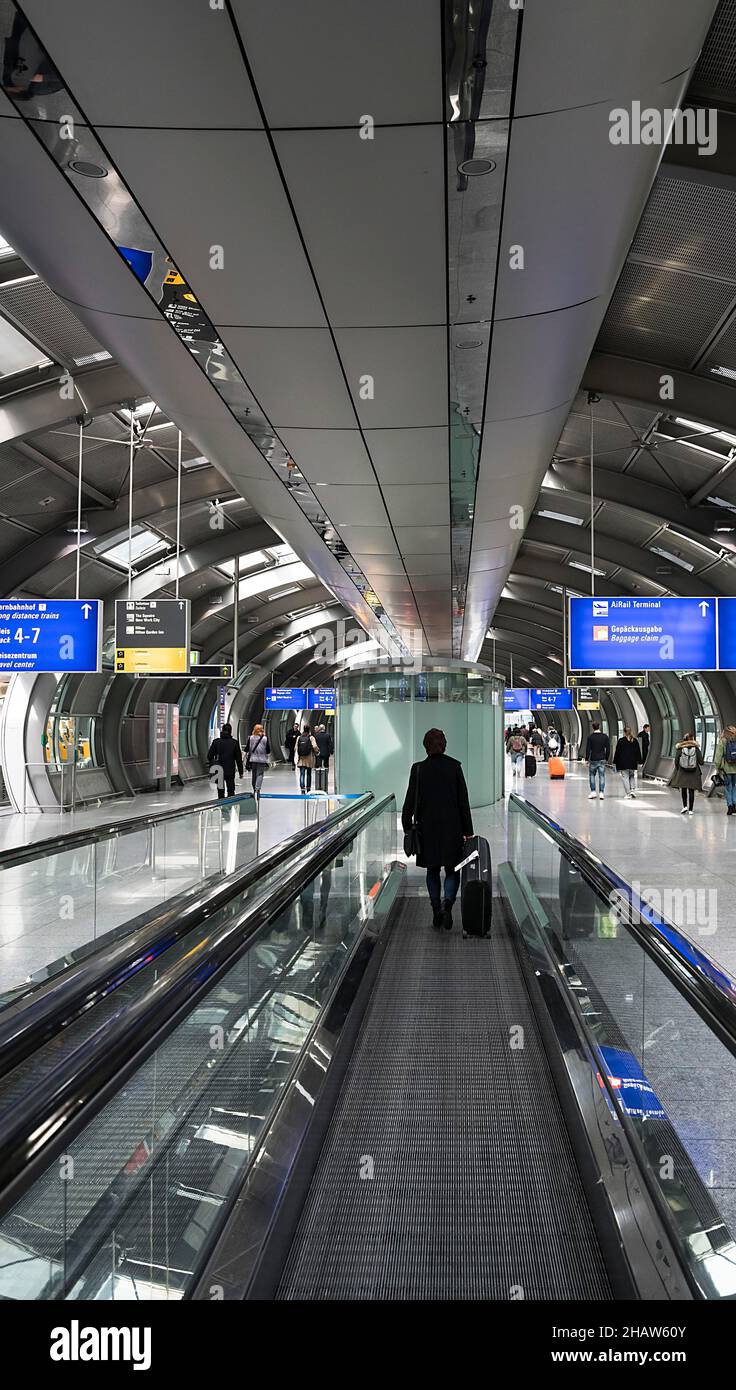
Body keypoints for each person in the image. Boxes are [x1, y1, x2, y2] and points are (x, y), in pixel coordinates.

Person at [402, 728, 473, 932]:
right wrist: (468, 832)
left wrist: (407, 827)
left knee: (432, 870)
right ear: (444, 745)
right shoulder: (454, 767)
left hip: (427, 829)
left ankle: (435, 911)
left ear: (425, 747)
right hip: (452, 828)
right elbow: (463, 802)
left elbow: (409, 803)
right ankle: (448, 905)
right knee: (452, 869)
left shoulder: (418, 769)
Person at [207, 722, 243, 800]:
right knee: (231, 790)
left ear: (222, 730)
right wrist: (241, 772)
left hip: (218, 770)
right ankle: (230, 808)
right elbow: (238, 759)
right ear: (230, 731)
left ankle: (222, 807)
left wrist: (214, 761)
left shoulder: (216, 742)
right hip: (230, 770)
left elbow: (209, 756)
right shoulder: (234, 743)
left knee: (220, 791)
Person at [671, 731, 704, 815]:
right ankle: (691, 810)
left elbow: (676, 761)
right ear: (693, 739)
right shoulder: (696, 748)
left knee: (684, 789)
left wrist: (679, 769)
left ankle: (685, 806)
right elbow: (701, 762)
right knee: (691, 791)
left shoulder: (680, 748)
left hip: (682, 772)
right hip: (694, 772)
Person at [613, 726, 642, 798]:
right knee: (631, 776)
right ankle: (632, 791)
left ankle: (628, 793)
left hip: (623, 763)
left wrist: (615, 761)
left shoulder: (621, 741)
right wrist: (640, 761)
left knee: (625, 777)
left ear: (624, 732)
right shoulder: (634, 740)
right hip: (632, 762)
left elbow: (617, 752)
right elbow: (638, 752)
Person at [585, 720, 610, 800]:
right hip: (602, 758)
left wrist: (586, 759)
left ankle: (593, 792)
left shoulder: (590, 737)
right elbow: (608, 749)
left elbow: (588, 749)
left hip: (593, 759)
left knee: (592, 775)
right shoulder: (605, 737)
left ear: (593, 728)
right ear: (599, 726)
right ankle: (601, 793)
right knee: (601, 776)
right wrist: (606, 758)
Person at [715, 725, 736, 817]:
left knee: (728, 788)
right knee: (735, 786)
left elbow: (718, 756)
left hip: (726, 769)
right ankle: (735, 804)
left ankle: (730, 807)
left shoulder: (723, 741)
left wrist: (718, 767)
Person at [246, 722, 270, 798]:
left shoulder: (250, 738)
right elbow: (268, 750)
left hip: (253, 759)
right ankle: (258, 789)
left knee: (254, 774)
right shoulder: (265, 738)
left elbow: (246, 748)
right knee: (260, 774)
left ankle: (254, 789)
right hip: (262, 760)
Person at [296, 724, 319, 794]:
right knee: (309, 774)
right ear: (309, 729)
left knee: (302, 774)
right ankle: (308, 789)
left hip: (301, 759)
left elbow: (295, 748)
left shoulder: (299, 737)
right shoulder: (311, 737)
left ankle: (302, 789)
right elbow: (315, 746)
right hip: (309, 758)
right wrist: (317, 751)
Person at [313, 724, 333, 792]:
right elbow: (330, 744)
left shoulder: (316, 736)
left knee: (318, 766)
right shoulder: (327, 735)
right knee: (326, 766)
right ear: (324, 729)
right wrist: (331, 751)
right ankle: (325, 778)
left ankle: (319, 780)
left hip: (318, 753)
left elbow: (314, 745)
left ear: (319, 729)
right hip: (326, 753)